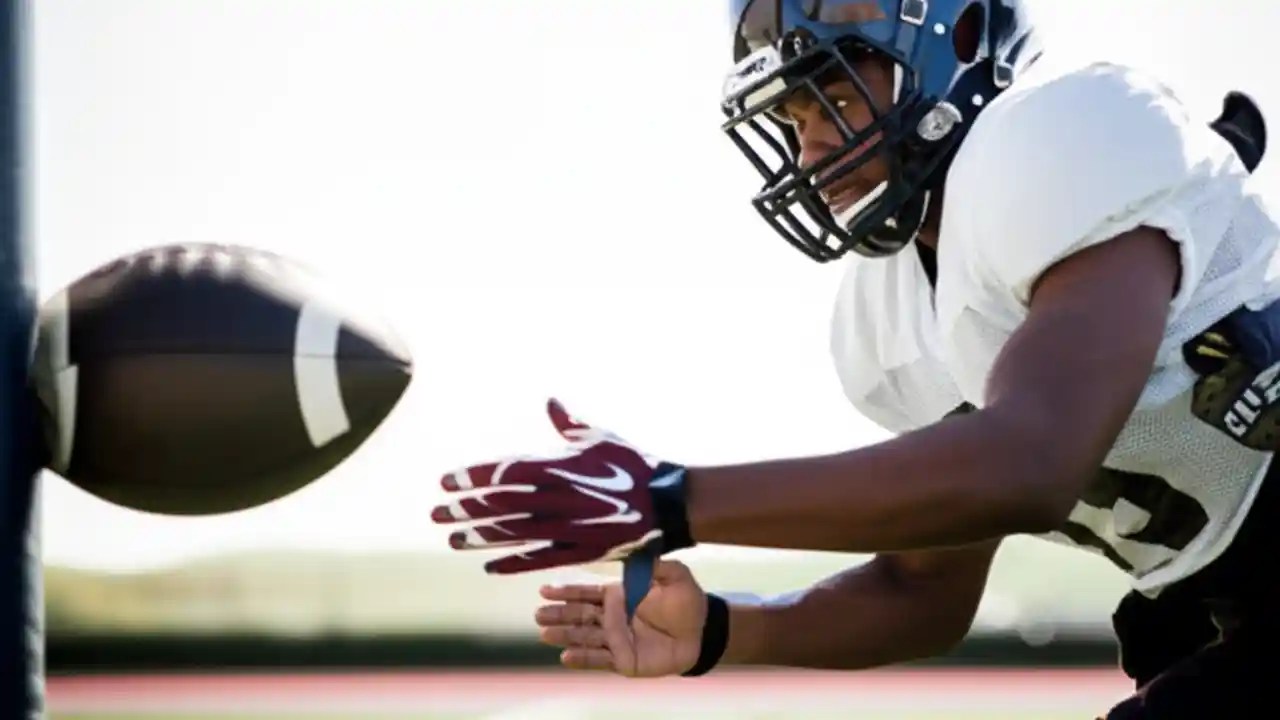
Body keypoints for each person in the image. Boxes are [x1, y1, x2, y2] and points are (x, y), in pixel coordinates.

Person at [430, 1, 1278, 716]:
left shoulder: (1067, 128)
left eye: (831, 96)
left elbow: (1032, 461)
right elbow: (923, 592)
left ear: (955, 38)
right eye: (793, 119)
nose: (808, 151)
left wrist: (671, 499)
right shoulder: (897, 312)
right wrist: (726, 628)